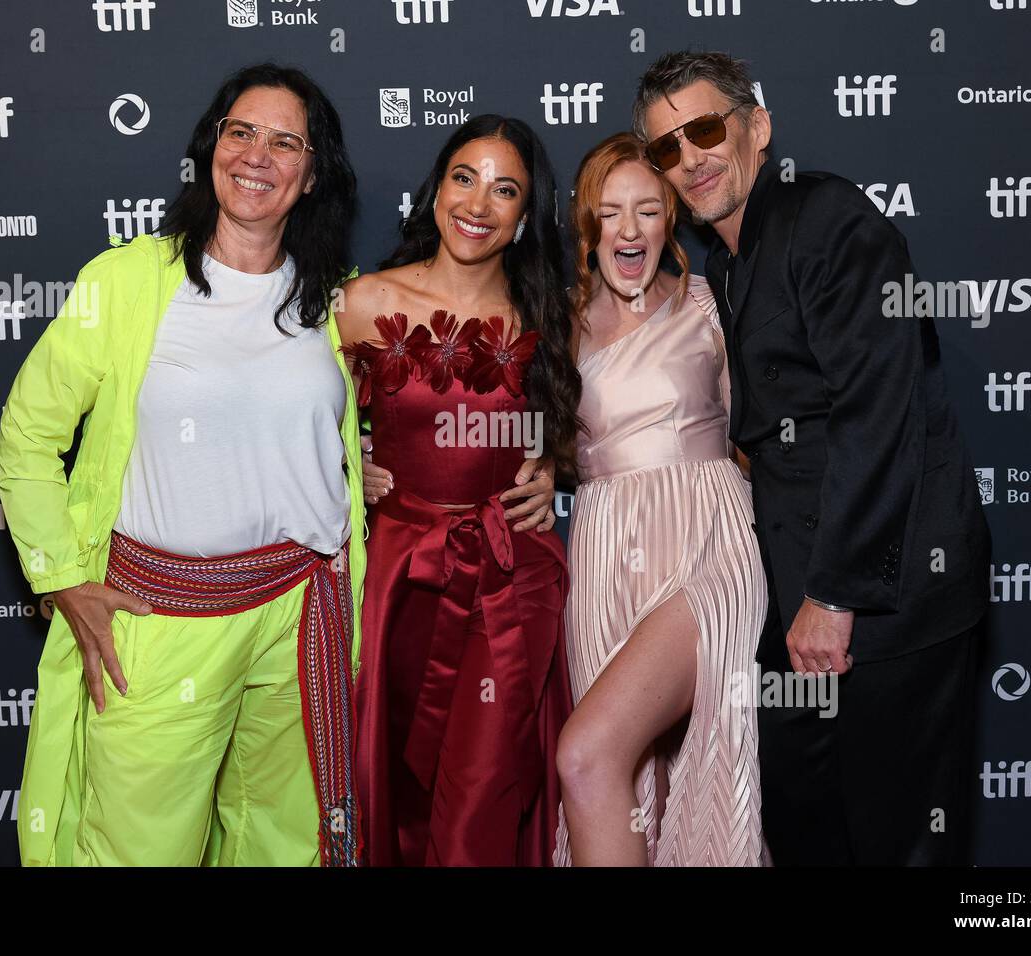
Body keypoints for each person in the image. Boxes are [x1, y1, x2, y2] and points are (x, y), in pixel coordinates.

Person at [0, 62, 367, 866]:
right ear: (210, 150)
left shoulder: (336, 300)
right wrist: (59, 575)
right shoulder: (127, 283)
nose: (257, 155)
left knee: (286, 846)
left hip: (301, 615)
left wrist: (533, 464)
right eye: (241, 132)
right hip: (160, 618)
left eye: (285, 141)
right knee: (138, 849)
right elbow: (27, 433)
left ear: (310, 177)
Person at [634, 50, 991, 865]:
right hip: (802, 599)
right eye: (665, 147)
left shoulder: (825, 219)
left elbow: (879, 410)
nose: (688, 157)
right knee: (808, 822)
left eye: (704, 129)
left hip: (888, 601)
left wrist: (834, 595)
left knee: (899, 839)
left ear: (756, 126)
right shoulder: (728, 264)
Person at [340, 114, 579, 866]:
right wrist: (350, 464)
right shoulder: (360, 301)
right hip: (398, 578)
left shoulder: (552, 316)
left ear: (523, 217)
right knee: (395, 790)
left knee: (481, 796)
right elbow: (297, 423)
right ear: (437, 189)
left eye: (505, 189)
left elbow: (605, 423)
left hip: (510, 580)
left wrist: (552, 466)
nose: (478, 203)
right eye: (464, 178)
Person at [552, 132, 768, 867]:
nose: (630, 229)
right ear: (589, 226)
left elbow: (758, 438)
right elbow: (527, 449)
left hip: (709, 543)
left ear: (671, 218)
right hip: (608, 555)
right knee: (635, 785)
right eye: (610, 212)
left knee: (587, 752)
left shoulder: (710, 305)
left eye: (648, 209)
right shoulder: (560, 327)